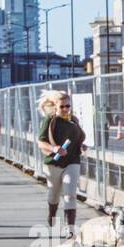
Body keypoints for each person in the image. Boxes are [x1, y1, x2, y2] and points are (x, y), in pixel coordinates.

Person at [36, 89, 86, 237]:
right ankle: (52, 212)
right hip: (54, 163)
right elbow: (40, 142)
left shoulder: (74, 120)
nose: (65, 109)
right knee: (54, 195)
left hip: (72, 161)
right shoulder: (50, 120)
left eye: (67, 106)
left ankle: (70, 228)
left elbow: (79, 139)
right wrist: (54, 148)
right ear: (55, 107)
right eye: (62, 107)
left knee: (70, 193)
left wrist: (82, 146)